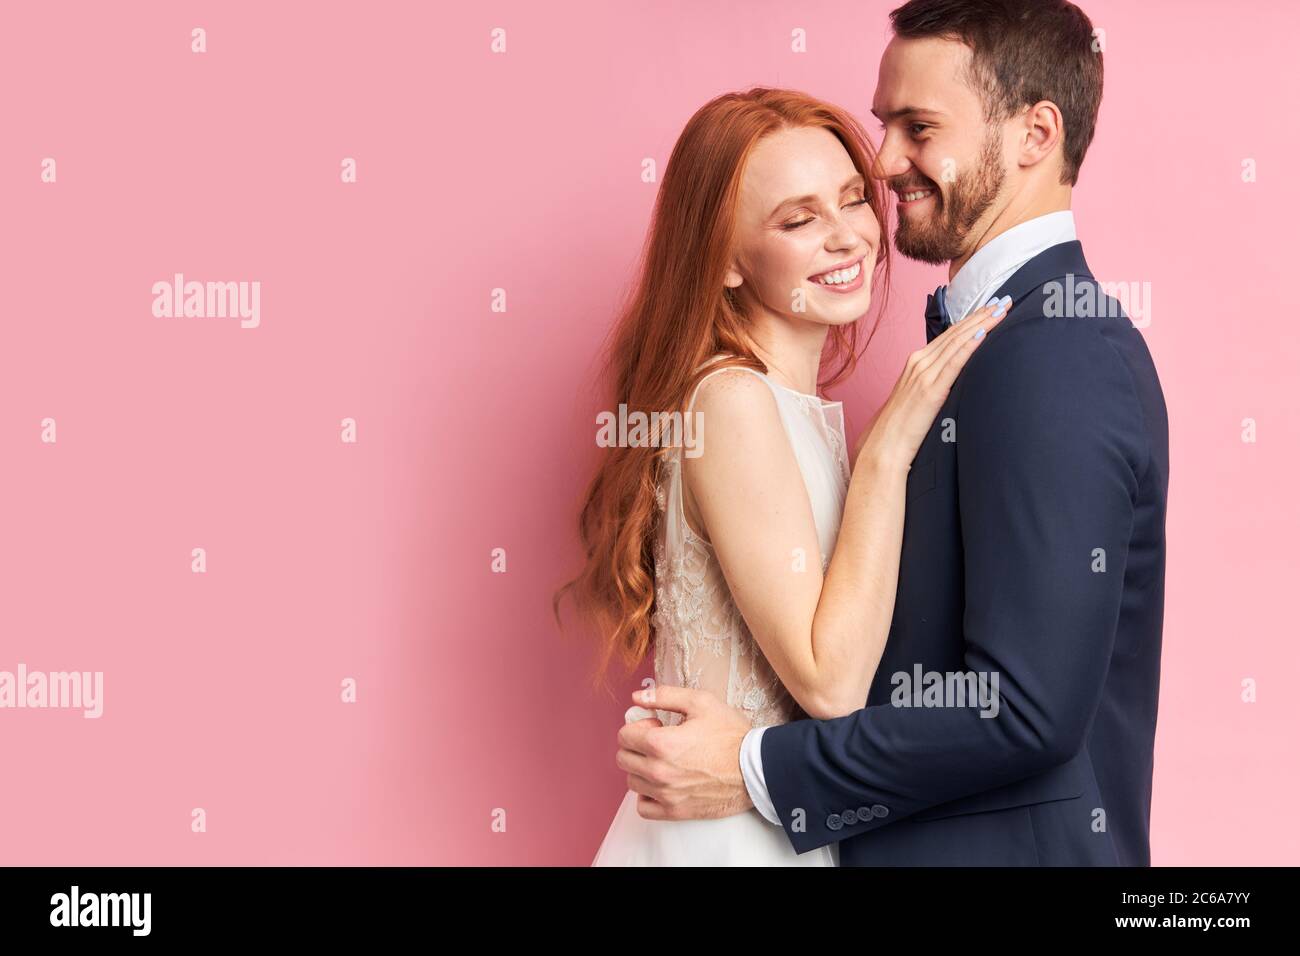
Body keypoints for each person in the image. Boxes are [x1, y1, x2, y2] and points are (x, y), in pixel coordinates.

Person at [617, 0, 1169, 866]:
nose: (883, 163)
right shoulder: (979, 344)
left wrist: (752, 763)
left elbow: (1024, 708)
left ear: (1035, 134)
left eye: (918, 127)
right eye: (885, 126)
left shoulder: (1050, 354)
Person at [554, 86, 1006, 865]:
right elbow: (831, 687)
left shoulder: (783, 407)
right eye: (798, 220)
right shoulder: (733, 402)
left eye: (853, 200)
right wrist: (889, 450)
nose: (846, 238)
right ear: (726, 261)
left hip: (775, 816)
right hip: (729, 839)